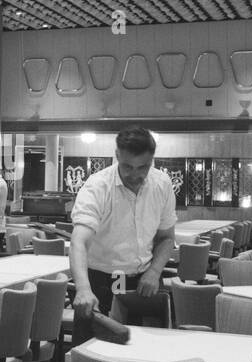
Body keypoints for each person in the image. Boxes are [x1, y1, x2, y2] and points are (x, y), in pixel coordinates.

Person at [69, 127, 177, 340]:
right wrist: (82, 288)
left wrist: (155, 271)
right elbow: (79, 242)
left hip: (144, 282)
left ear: (152, 159)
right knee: (89, 359)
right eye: (127, 166)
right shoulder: (98, 187)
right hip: (100, 282)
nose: (135, 174)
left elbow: (166, 238)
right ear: (117, 155)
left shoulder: (162, 184)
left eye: (143, 167)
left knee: (147, 355)